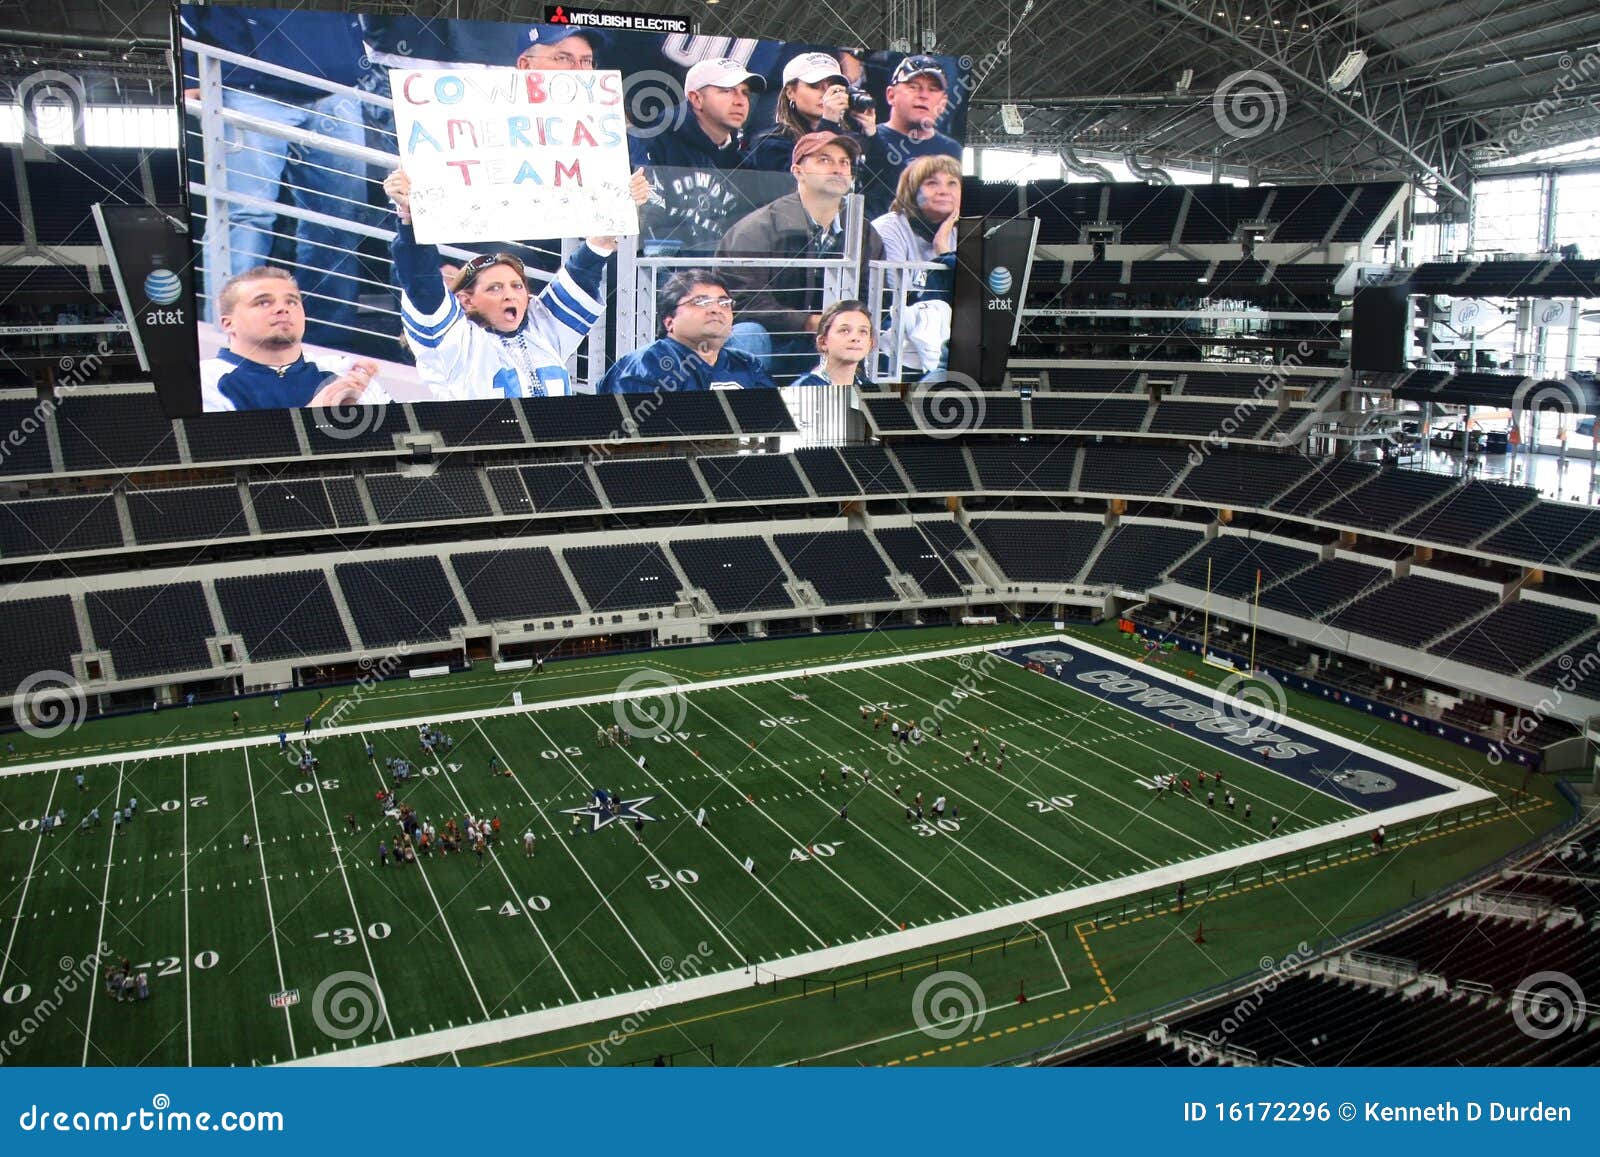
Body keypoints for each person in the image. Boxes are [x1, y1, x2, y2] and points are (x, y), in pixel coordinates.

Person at [181, 7, 369, 344]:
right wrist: (192, 71)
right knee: (245, 216)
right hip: (247, 83)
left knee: (340, 220)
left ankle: (328, 341)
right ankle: (231, 339)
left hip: (335, 88)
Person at [383, 167, 645, 400]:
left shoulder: (543, 330)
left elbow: (583, 269)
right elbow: (422, 283)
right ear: (466, 299)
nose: (510, 295)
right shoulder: (454, 345)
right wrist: (409, 217)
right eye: (494, 288)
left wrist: (619, 207)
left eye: (516, 286)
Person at [715, 132, 884, 379]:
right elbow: (744, 301)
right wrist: (808, 322)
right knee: (747, 333)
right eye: (824, 160)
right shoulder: (756, 229)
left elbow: (875, 294)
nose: (838, 168)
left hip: (838, 337)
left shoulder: (864, 231)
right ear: (797, 171)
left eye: (844, 162)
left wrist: (844, 326)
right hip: (776, 340)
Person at [199, 267, 385, 412]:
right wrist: (315, 415)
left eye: (292, 302)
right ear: (227, 323)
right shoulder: (203, 379)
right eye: (263, 302)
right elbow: (224, 456)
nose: (283, 309)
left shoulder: (344, 371)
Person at [633, 58, 770, 254]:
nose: (740, 101)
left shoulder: (741, 160)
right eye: (727, 90)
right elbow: (649, 227)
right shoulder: (655, 142)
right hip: (663, 275)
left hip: (721, 274)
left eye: (745, 93)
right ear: (696, 99)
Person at [598, 270, 776, 393]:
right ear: (669, 321)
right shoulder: (645, 366)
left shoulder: (747, 364)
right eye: (700, 302)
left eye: (724, 303)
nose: (716, 309)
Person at [870, 154, 961, 378]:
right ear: (912, 192)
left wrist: (942, 247)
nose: (944, 190)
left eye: (952, 183)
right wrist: (947, 262)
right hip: (893, 334)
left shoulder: (958, 231)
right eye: (932, 183)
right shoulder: (888, 227)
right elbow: (901, 294)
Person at [860, 55, 962, 219]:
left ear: (943, 103)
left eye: (933, 89)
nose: (923, 95)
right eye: (913, 86)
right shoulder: (865, 137)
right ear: (891, 95)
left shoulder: (953, 150)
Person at [747, 52, 872, 171]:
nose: (826, 94)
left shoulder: (849, 139)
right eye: (815, 86)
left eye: (833, 87)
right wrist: (828, 124)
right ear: (790, 92)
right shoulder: (769, 142)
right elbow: (802, 181)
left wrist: (873, 137)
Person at [791, 299, 876, 386]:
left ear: (870, 344)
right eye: (844, 330)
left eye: (863, 331)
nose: (855, 338)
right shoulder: (804, 387)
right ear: (823, 342)